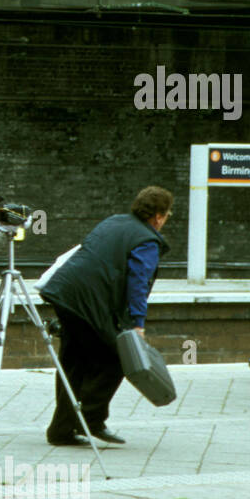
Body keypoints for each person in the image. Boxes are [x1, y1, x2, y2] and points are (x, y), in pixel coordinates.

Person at [41, 186, 173, 446]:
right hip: (87, 301)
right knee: (118, 356)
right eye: (167, 215)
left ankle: (62, 429)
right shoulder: (147, 239)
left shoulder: (114, 221)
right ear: (158, 216)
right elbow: (138, 282)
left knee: (73, 360)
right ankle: (90, 419)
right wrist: (137, 324)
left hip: (64, 292)